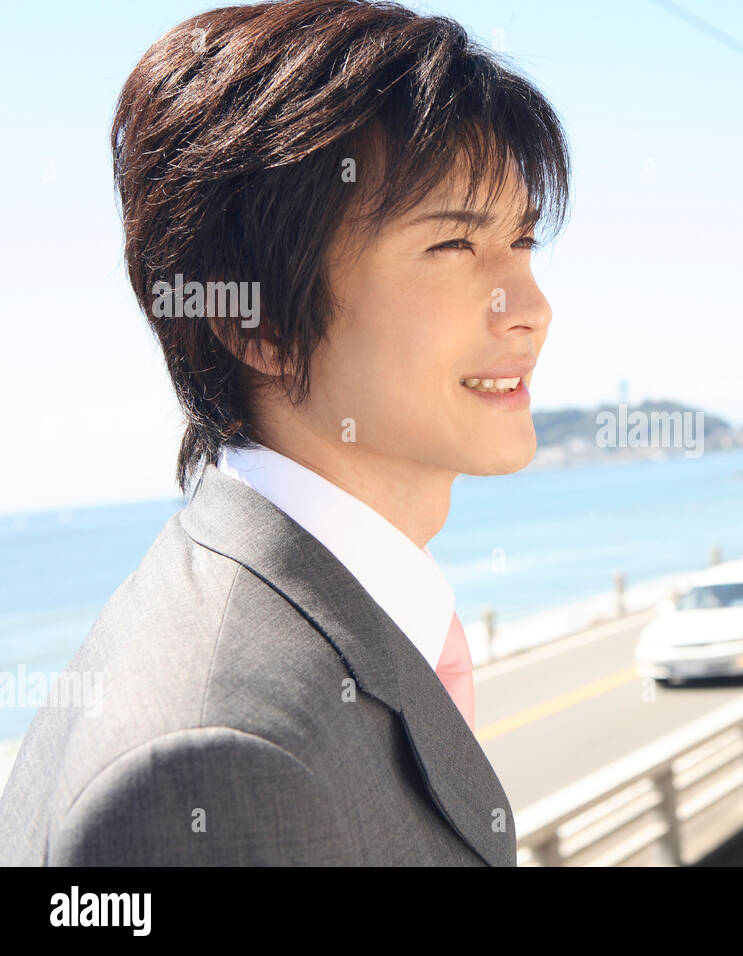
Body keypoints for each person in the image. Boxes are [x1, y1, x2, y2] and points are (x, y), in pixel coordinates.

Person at [0, 0, 570, 865]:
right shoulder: (213, 767)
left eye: (523, 239)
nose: (529, 307)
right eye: (453, 245)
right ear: (255, 320)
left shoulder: (298, 621)